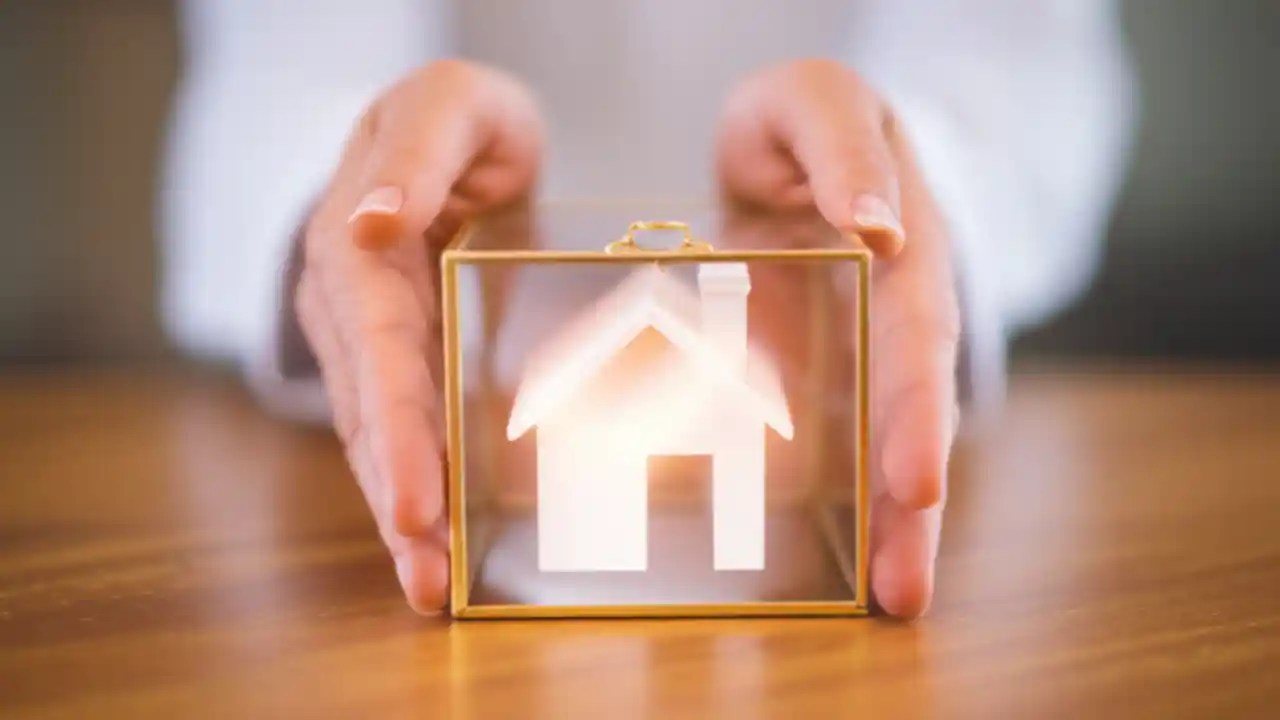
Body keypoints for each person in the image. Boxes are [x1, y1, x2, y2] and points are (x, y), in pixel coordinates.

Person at [160, 0, 1134, 618]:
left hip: (830, 302)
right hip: (471, 328)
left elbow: (1008, 55)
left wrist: (893, 187)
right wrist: (364, 182)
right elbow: (281, 59)